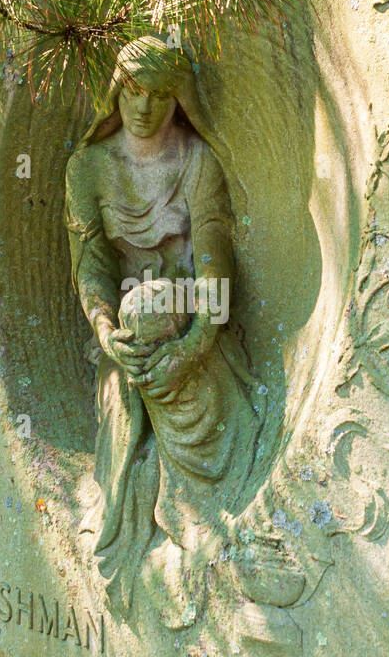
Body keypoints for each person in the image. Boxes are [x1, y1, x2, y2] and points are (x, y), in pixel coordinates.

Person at [64, 35, 265, 619]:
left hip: (192, 330)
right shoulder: (88, 168)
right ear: (115, 90)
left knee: (203, 409)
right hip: (126, 342)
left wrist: (198, 343)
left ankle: (206, 529)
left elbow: (213, 261)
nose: (144, 106)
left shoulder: (197, 159)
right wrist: (106, 335)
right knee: (134, 362)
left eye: (159, 94)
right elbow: (92, 265)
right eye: (132, 89)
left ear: (178, 100)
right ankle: (145, 529)